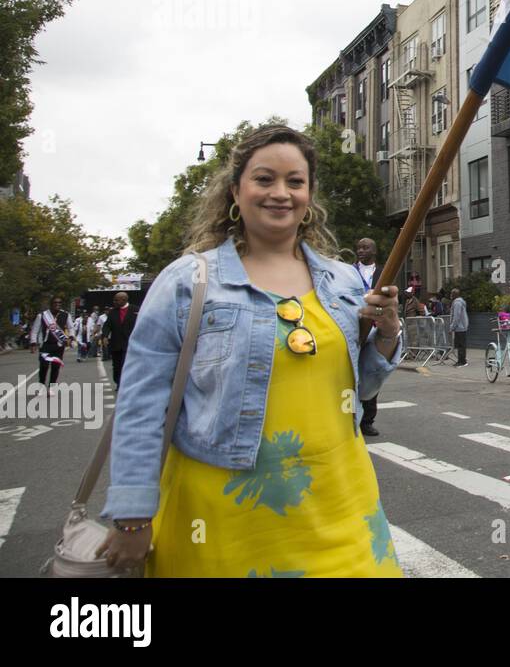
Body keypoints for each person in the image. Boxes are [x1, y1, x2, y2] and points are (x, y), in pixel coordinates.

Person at [96, 124, 403, 576]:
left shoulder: (342, 281)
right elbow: (141, 407)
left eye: (295, 182)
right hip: (221, 522)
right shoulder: (188, 282)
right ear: (235, 192)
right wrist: (132, 516)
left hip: (344, 508)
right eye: (264, 179)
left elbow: (362, 386)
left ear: (309, 196)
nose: (281, 192)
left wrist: (388, 335)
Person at [354, 238, 382, 437]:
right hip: (354, 326)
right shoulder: (349, 272)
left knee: (372, 373)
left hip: (375, 328)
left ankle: (367, 421)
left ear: (374, 250)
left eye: (365, 248)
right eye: (359, 248)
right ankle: (349, 417)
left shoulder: (384, 271)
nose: (361, 251)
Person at [29, 296, 71, 391]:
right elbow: (35, 331)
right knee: (44, 366)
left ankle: (51, 388)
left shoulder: (65, 315)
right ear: (51, 304)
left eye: (59, 303)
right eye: (55, 303)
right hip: (45, 345)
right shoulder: (42, 315)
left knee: (55, 367)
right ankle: (42, 386)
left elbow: (71, 327)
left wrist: (71, 337)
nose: (57, 304)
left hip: (59, 345)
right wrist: (33, 343)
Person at [100, 291, 137, 389]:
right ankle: (118, 381)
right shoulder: (112, 312)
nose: (114, 302)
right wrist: (105, 336)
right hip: (116, 343)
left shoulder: (135, 310)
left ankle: (125, 384)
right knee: (116, 366)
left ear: (124, 300)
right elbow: (107, 326)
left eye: (116, 300)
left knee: (127, 364)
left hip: (130, 344)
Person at [449, 288, 469, 367]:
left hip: (459, 327)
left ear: (455, 295)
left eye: (451, 294)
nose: (450, 295)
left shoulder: (457, 303)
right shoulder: (459, 302)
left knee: (461, 345)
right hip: (461, 326)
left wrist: (451, 327)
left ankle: (462, 361)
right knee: (460, 344)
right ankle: (461, 360)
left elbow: (456, 317)